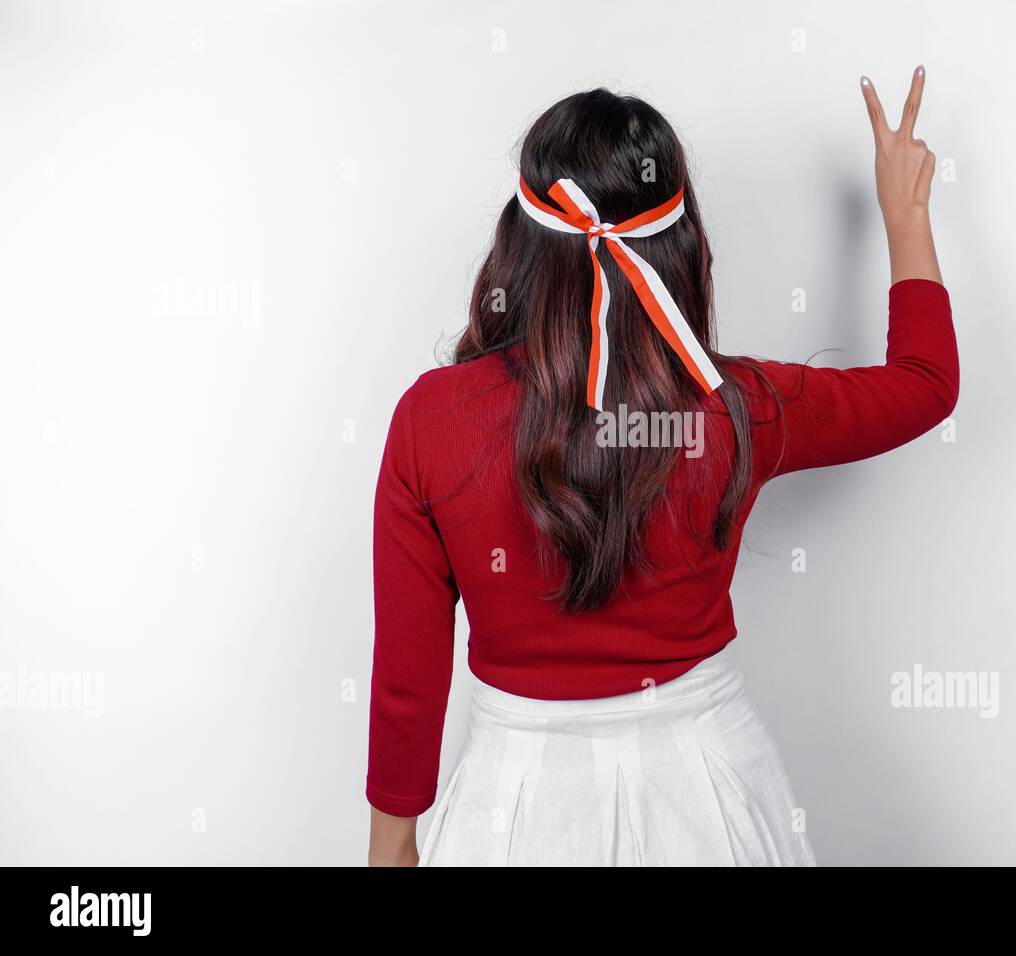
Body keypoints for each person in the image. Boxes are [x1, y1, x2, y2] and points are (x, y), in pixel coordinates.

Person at [367, 68, 956, 866]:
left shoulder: (429, 421)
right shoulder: (738, 407)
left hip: (512, 812)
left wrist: (390, 849)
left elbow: (410, 680)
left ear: (521, 241)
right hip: (711, 793)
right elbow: (925, 385)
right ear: (683, 246)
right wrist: (906, 212)